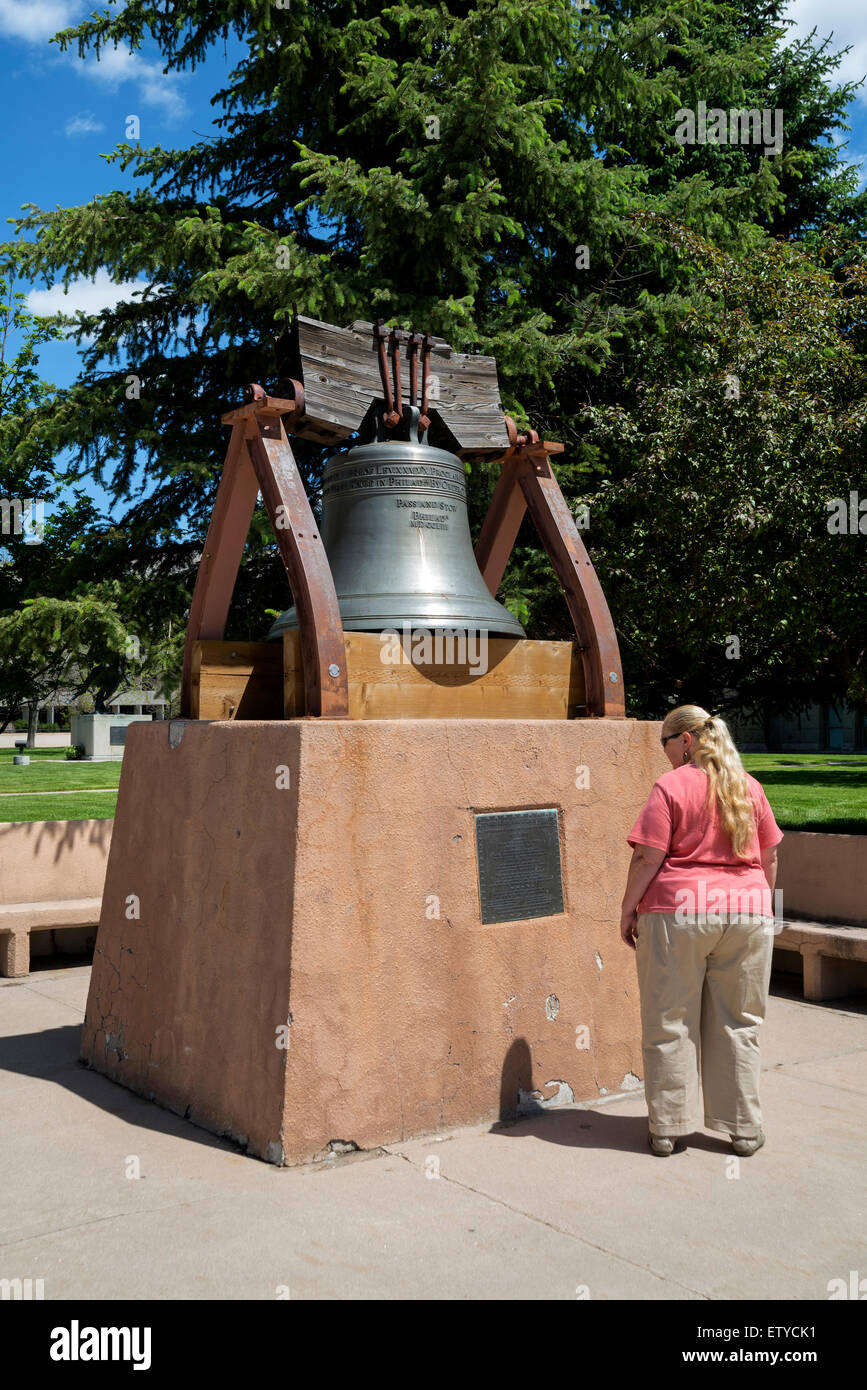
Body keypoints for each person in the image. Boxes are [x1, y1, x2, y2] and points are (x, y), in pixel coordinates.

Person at [620, 704, 783, 1158]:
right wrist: (760, 904)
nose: (665, 753)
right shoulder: (748, 786)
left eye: (666, 744)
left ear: (686, 741)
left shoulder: (670, 786)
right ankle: (744, 1130)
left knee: (669, 1021)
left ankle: (668, 1129)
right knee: (740, 1023)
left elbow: (647, 857)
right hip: (747, 912)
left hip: (678, 913)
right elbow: (769, 857)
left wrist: (627, 910)